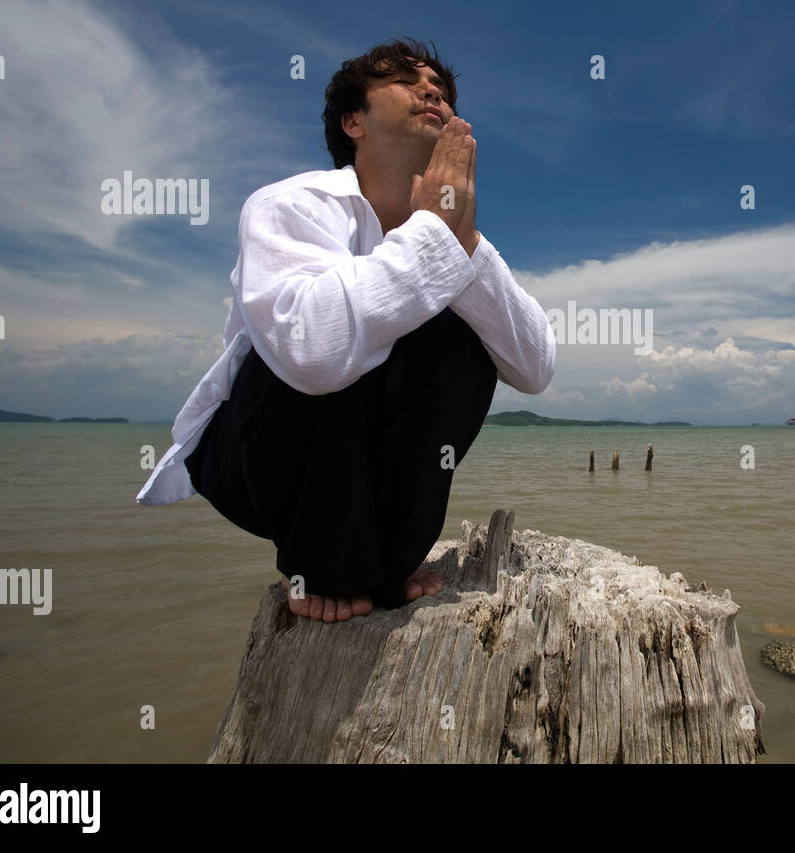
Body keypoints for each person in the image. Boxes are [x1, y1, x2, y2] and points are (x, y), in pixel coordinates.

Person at [135, 37, 556, 622]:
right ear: (352, 120)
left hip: (363, 474)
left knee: (462, 341)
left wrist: (464, 244)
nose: (431, 90)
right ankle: (322, 563)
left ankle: (386, 560)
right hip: (259, 461)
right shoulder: (292, 203)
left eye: (440, 87)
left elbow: (535, 368)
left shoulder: (448, 228)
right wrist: (434, 234)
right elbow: (311, 352)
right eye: (406, 80)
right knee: (332, 327)